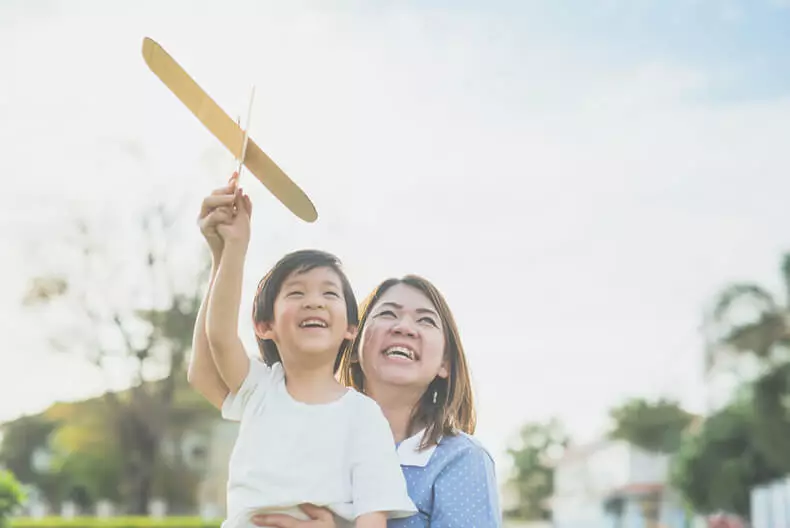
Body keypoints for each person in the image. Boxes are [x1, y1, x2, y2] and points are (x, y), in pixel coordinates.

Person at [187, 173, 416, 528]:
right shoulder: (259, 390)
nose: (314, 302)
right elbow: (218, 335)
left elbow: (373, 515)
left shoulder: (364, 416)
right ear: (266, 326)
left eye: (329, 293)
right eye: (296, 293)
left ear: (350, 329)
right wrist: (232, 249)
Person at [252, 275, 502, 527]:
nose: (404, 327)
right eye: (388, 314)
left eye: (425, 320)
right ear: (354, 346)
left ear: (444, 363)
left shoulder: (462, 459)